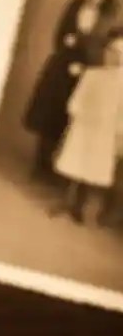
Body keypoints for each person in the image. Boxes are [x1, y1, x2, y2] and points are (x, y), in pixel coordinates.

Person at [24, 0, 119, 185]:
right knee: (49, 112)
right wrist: (68, 48)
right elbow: (60, 35)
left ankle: (61, 173)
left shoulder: (110, 12)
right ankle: (40, 164)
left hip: (86, 71)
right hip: (62, 64)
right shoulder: (76, 4)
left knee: (71, 120)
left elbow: (104, 45)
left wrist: (84, 59)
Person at [53, 31, 123, 224]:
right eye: (110, 51)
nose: (112, 56)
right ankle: (65, 203)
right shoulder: (93, 74)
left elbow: (120, 113)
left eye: (118, 53)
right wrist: (76, 113)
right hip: (83, 125)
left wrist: (118, 134)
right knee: (73, 163)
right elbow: (78, 98)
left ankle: (79, 208)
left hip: (103, 132)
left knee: (90, 170)